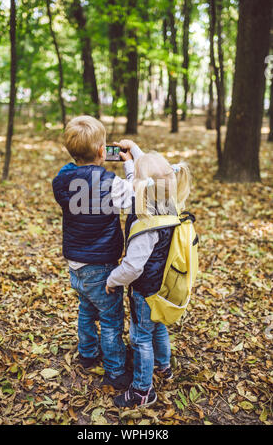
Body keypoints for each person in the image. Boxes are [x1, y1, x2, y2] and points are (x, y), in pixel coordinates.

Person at [52, 115, 141, 390]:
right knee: (112, 320)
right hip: (102, 266)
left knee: (86, 309)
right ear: (104, 152)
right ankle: (115, 371)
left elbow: (68, 171)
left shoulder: (63, 180)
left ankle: (88, 354)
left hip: (75, 265)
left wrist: (81, 159)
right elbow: (137, 195)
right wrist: (130, 164)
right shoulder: (112, 183)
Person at [106, 151, 191, 407]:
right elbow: (147, 178)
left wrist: (113, 279)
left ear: (140, 188)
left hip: (145, 290)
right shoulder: (171, 204)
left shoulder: (145, 225)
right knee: (159, 325)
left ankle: (143, 390)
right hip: (164, 283)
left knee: (141, 337)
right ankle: (164, 366)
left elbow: (132, 267)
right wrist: (131, 158)